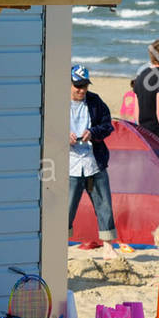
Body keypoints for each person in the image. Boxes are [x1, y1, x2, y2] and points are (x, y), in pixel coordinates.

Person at [67, 65, 119, 248]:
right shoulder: (57, 101)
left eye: (84, 86)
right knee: (67, 208)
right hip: (70, 164)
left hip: (94, 161)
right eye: (77, 85)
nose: (81, 90)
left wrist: (93, 132)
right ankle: (61, 245)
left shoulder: (95, 101)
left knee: (104, 204)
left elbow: (107, 125)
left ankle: (108, 246)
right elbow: (47, 128)